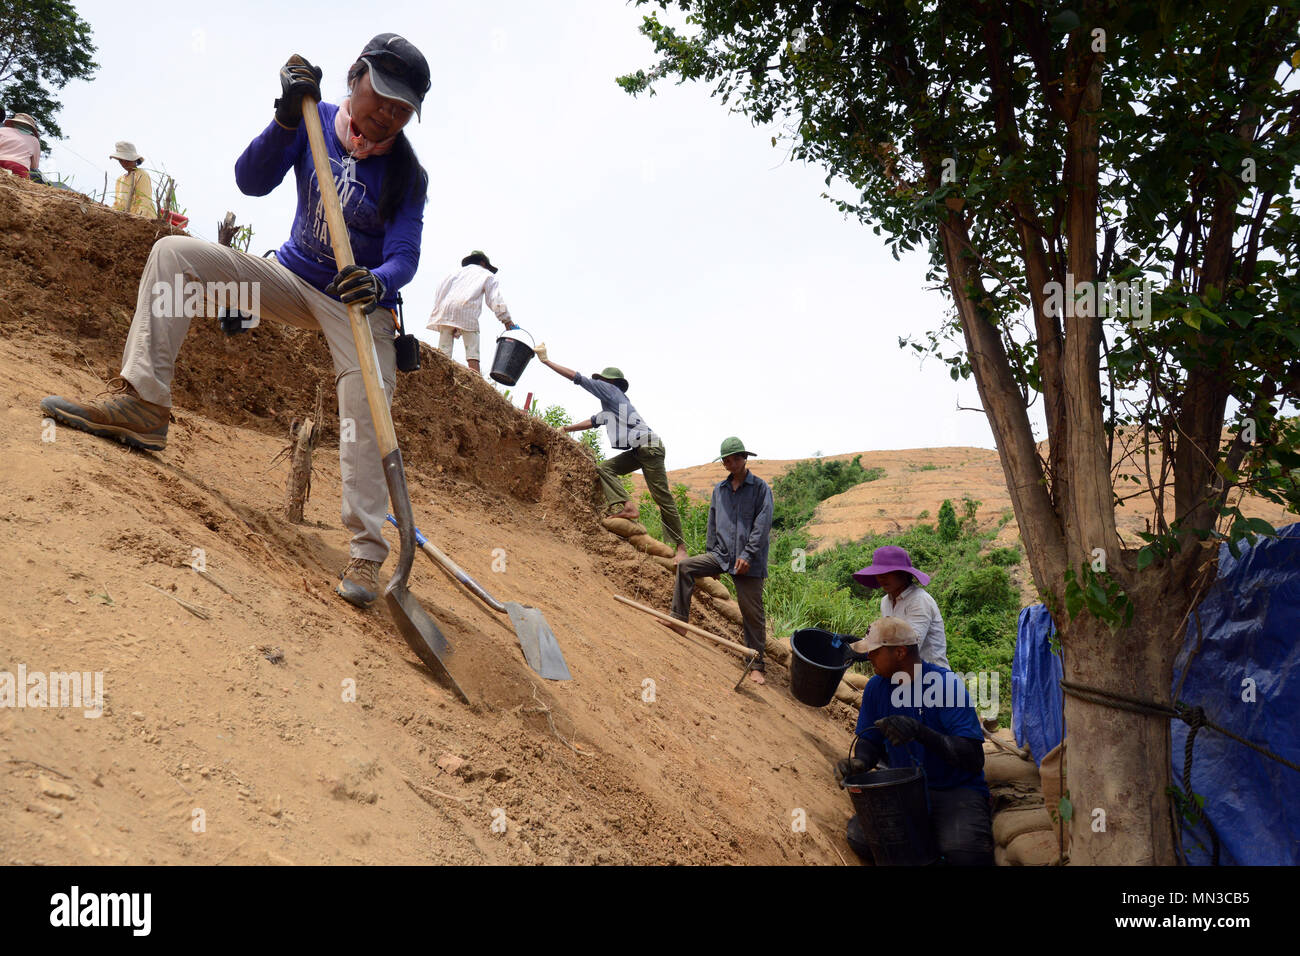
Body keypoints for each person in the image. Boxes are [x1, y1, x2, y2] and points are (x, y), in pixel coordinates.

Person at [39, 33, 432, 610]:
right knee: (174, 257)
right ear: (357, 78)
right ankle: (145, 404)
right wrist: (283, 120)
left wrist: (380, 281)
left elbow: (406, 253)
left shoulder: (407, 175)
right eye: (383, 97)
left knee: (367, 407)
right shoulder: (312, 120)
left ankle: (369, 552)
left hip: (355, 305)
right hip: (290, 278)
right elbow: (251, 181)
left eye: (404, 109)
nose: (389, 115)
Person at [834, 616, 993, 865]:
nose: (869, 658)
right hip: (903, 789)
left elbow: (973, 758)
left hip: (954, 789)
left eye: (874, 652)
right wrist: (861, 762)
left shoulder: (945, 685)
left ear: (899, 652)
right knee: (861, 839)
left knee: (966, 856)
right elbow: (870, 739)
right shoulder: (876, 687)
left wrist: (920, 732)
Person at [533, 342, 688, 564]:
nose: (598, 383)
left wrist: (546, 361)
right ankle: (628, 505)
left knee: (661, 497)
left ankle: (681, 548)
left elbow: (578, 378)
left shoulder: (611, 390)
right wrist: (566, 428)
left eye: (601, 380)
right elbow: (593, 421)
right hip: (641, 448)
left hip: (650, 446)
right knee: (606, 469)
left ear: (610, 383)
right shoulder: (612, 406)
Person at [668, 437, 773, 685]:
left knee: (752, 612)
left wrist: (747, 555)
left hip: (749, 562)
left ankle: (757, 664)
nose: (731, 463)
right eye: (727, 459)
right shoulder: (720, 490)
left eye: (736, 458)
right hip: (721, 555)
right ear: (723, 463)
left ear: (744, 458)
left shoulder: (760, 488)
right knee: (685, 567)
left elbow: (762, 525)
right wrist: (710, 554)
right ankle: (679, 621)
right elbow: (712, 522)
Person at [849, 545, 949, 668]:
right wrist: (856, 644)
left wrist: (866, 651)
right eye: (878, 573)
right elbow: (888, 639)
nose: (881, 577)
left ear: (903, 573)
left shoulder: (919, 600)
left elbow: (911, 647)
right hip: (900, 672)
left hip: (930, 674)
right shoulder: (886, 602)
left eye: (888, 572)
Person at [426, 251, 516, 373]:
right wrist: (506, 320)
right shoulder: (487, 275)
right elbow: (495, 299)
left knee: (443, 351)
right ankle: (475, 378)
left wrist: (440, 310)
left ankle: (438, 375)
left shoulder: (454, 273)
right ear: (483, 263)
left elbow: (440, 290)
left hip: (446, 309)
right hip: (467, 311)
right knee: (472, 351)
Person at [109, 141, 156, 217]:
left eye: (127, 160)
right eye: (121, 160)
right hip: (127, 219)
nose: (124, 163)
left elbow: (144, 200)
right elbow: (118, 204)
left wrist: (137, 217)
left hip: (145, 220)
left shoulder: (141, 174)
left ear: (135, 160)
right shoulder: (120, 180)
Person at [0, 113, 40, 178]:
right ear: (30, 128)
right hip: (20, 168)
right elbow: (34, 166)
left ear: (13, 122)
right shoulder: (35, 141)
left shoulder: (2, 130)